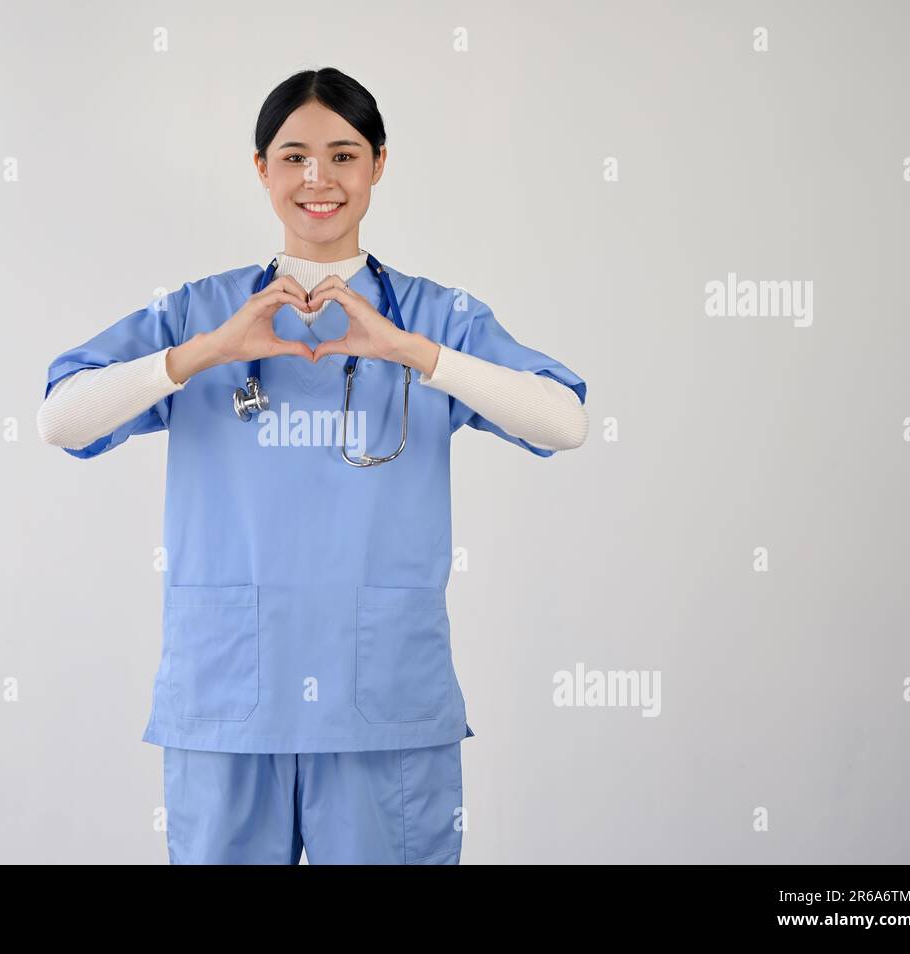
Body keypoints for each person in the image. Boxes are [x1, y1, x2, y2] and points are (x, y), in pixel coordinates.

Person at [37, 67, 588, 864]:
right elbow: (59, 418)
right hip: (231, 705)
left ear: (379, 165)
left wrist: (413, 353)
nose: (318, 179)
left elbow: (565, 421)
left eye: (343, 154)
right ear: (261, 168)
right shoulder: (200, 311)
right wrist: (208, 353)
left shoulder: (432, 317)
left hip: (383, 708)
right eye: (294, 156)